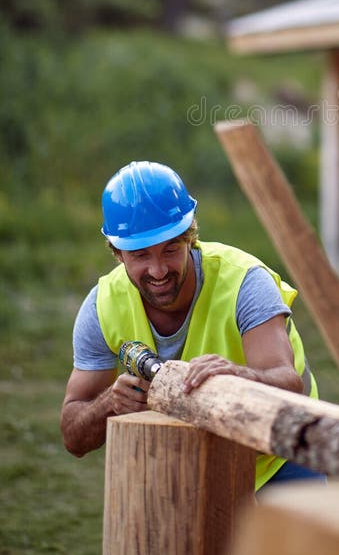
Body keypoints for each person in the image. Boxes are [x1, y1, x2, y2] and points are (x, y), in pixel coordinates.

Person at [61, 160, 325, 492]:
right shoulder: (102, 306)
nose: (158, 270)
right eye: (141, 256)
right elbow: (73, 436)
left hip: (279, 455)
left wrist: (242, 376)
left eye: (171, 249)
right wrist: (109, 404)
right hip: (186, 461)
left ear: (190, 238)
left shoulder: (244, 281)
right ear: (118, 254)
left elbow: (287, 382)